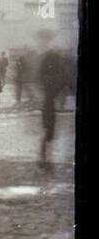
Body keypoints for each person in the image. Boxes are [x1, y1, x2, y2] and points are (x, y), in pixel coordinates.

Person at [37, 34, 70, 169]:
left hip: (49, 99)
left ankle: (45, 158)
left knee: (49, 130)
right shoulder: (54, 61)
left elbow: (42, 77)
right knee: (49, 130)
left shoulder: (49, 60)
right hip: (50, 100)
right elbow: (63, 80)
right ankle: (45, 159)